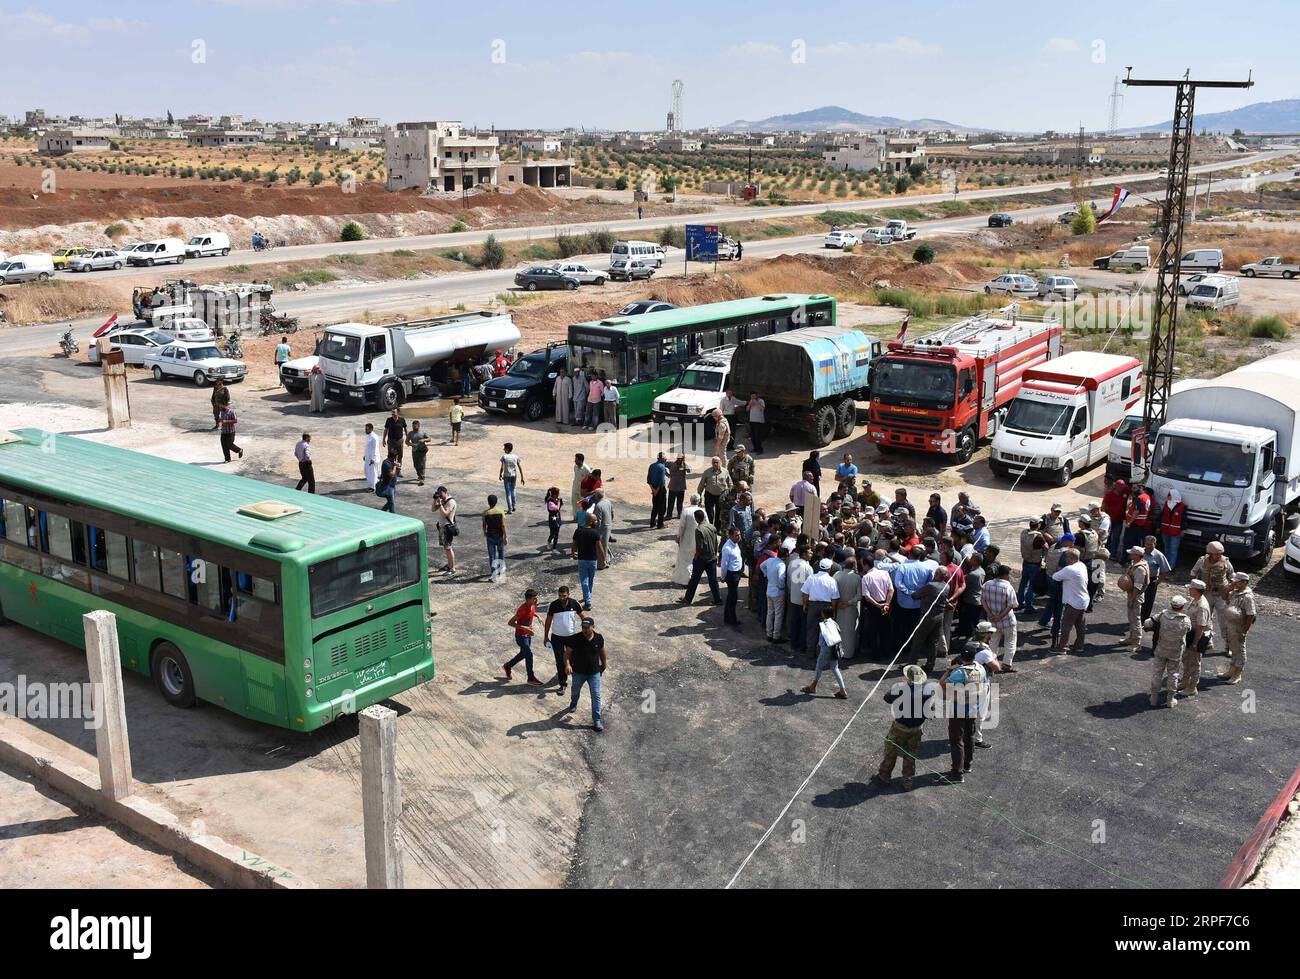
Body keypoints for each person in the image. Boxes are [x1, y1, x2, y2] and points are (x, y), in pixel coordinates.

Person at [874, 664, 933, 792]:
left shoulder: (902, 690)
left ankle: (884, 775)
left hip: (900, 727)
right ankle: (907, 780)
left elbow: (887, 698)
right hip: (916, 728)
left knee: (891, 751)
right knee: (910, 755)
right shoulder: (928, 691)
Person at [940, 645, 986, 784]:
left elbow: (942, 683)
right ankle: (967, 765)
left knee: (956, 741)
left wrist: (949, 670)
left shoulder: (959, 673)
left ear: (961, 657)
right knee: (969, 736)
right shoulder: (980, 668)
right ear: (974, 657)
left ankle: (957, 773)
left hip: (958, 709)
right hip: (973, 707)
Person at [1146, 595, 1191, 708]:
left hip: (1161, 649)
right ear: (1182, 607)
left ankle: (1153, 698)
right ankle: (1170, 700)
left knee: (1157, 673)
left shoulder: (1163, 615)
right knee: (1173, 675)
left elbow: (1148, 623)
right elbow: (1189, 630)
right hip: (1175, 653)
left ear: (1171, 605)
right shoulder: (1185, 620)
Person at [564, 616, 607, 733]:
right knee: (575, 691)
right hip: (578, 672)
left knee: (596, 695)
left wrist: (604, 664)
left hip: (594, 672)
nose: (585, 630)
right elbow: (567, 654)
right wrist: (567, 665)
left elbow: (602, 651)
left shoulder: (599, 638)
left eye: (587, 628)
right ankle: (574, 702)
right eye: (583, 627)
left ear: (593, 627)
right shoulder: (575, 639)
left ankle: (597, 720)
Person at [543, 586, 583, 694]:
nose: (562, 598)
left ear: (568, 594)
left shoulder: (575, 603)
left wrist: (587, 631)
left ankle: (574, 676)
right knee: (560, 661)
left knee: (572, 659)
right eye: (560, 596)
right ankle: (563, 683)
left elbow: (583, 616)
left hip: (571, 637)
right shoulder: (554, 605)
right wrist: (546, 636)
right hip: (557, 638)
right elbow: (548, 621)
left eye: (564, 596)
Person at [1218, 572, 1256, 685]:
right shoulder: (1235, 592)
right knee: (1233, 648)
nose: (1234, 583)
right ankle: (1231, 670)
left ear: (1244, 582)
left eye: (1237, 582)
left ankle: (1237, 674)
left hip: (1239, 627)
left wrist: (1244, 632)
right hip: (1230, 625)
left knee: (1239, 650)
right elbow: (1224, 597)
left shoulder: (1247, 597)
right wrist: (1229, 588)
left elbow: (1251, 615)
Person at [802, 606, 848, 699]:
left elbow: (822, 638)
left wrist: (818, 645)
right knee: (835, 668)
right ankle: (842, 690)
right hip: (834, 648)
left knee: (819, 666)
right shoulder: (834, 623)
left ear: (824, 614)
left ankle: (813, 687)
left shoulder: (824, 624)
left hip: (826, 649)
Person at [911, 567, 950, 671]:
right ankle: (930, 664)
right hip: (939, 616)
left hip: (927, 617)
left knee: (918, 640)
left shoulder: (930, 586)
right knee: (934, 641)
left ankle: (911, 664)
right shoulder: (947, 586)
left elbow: (915, 595)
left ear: (936, 574)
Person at [981, 563, 1018, 670]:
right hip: (1007, 621)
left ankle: (990, 663)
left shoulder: (987, 584)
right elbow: (1012, 605)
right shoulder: (1008, 587)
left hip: (992, 621)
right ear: (1005, 575)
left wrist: (990, 614)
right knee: (1010, 642)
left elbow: (983, 600)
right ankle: (1006, 663)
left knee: (993, 642)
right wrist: (1000, 616)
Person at [503, 590, 545, 686]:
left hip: (528, 635)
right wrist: (524, 628)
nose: (536, 600)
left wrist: (538, 616)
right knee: (529, 654)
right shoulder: (522, 610)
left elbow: (531, 612)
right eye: (534, 598)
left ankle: (507, 666)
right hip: (521, 636)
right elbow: (510, 623)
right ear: (528, 599)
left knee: (523, 654)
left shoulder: (533, 605)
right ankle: (530, 678)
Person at [1052, 550, 1090, 654]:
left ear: (1072, 558)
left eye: (1067, 557)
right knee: (1080, 625)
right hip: (1083, 600)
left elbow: (1055, 576)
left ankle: (1062, 647)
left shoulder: (1069, 569)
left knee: (1066, 625)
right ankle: (1079, 646)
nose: (1066, 559)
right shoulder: (1081, 565)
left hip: (1073, 602)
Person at [682, 510, 722, 606]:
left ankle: (688, 599)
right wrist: (715, 553)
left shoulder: (699, 530)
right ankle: (717, 599)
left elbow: (699, 547)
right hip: (712, 557)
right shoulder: (712, 527)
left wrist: (696, 557)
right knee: (713, 580)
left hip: (702, 559)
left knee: (694, 579)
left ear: (696, 518)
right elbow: (716, 542)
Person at [1180, 579, 1212, 698]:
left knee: (1194, 663)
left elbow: (1201, 626)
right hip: (1191, 634)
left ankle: (1192, 687)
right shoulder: (1195, 600)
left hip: (1198, 636)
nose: (1189, 590)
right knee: (1186, 659)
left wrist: (1195, 643)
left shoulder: (1202, 606)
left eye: (1191, 588)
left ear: (1196, 590)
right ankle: (1185, 682)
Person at [801, 558, 840, 655]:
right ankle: (821, 653)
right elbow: (834, 599)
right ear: (829, 569)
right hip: (826, 607)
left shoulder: (811, 578)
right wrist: (833, 612)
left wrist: (805, 605)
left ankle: (810, 652)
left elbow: (805, 594)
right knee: (825, 632)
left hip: (813, 605)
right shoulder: (832, 581)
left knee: (811, 629)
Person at [859, 552, 894, 660]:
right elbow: (891, 590)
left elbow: (867, 597)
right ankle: (886, 651)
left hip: (874, 606)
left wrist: (878, 605)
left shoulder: (866, 578)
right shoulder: (884, 573)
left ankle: (875, 653)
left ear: (865, 565)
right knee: (885, 629)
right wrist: (887, 604)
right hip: (885, 604)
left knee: (873, 630)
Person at [571, 515, 605, 610]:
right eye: (595, 520)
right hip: (592, 560)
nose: (597, 522)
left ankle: (587, 599)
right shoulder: (595, 533)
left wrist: (573, 553)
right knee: (589, 580)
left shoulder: (578, 531)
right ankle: (588, 600)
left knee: (585, 581)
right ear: (591, 522)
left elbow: (574, 544)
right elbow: (600, 547)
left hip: (582, 560)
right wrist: (603, 559)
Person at [833, 555, 862, 660]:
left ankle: (838, 652)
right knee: (850, 632)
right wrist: (849, 602)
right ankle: (848, 654)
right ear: (854, 565)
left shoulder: (837, 575)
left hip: (838, 607)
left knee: (838, 630)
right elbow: (859, 596)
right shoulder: (857, 577)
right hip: (851, 608)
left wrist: (837, 603)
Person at [1122, 546, 1151, 649]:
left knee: (1136, 620)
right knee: (1131, 618)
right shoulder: (1135, 564)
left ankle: (1136, 643)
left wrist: (1132, 599)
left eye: (1132, 553)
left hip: (1136, 596)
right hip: (1132, 594)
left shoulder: (1139, 569)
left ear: (1137, 555)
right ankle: (1131, 638)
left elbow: (1138, 586)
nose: (1130, 555)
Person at [674, 495, 706, 586]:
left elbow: (682, 526)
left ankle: (686, 581)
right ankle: (694, 580)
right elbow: (706, 524)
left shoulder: (686, 511)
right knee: (695, 560)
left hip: (686, 540)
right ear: (699, 501)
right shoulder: (702, 511)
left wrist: (678, 536)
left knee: (685, 561)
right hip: (698, 540)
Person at [1017, 518, 1046, 612]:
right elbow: (1046, 547)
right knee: (1032, 586)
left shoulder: (1024, 533)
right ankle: (1028, 606)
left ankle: (1020, 602)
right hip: (1035, 563)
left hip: (1025, 561)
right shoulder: (1038, 536)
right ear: (1037, 525)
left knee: (1023, 583)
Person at [1140, 536, 1171, 623]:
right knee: (1137, 600)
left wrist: (1158, 581)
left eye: (1151, 544)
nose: (1148, 546)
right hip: (1139, 579)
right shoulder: (1140, 552)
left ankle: (1143, 621)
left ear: (1155, 544)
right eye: (1147, 544)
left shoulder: (1159, 555)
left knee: (1147, 602)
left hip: (1151, 580)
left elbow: (1166, 570)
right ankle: (1135, 619)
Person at [697, 456, 732, 527]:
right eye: (714, 463)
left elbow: (730, 483)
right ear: (712, 463)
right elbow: (702, 484)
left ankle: (717, 528)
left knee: (719, 513)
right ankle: (710, 527)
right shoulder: (707, 472)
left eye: (717, 462)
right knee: (710, 513)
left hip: (721, 495)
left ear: (720, 463)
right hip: (709, 494)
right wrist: (699, 495)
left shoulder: (725, 472)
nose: (715, 464)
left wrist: (730, 494)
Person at [764, 544, 789, 642]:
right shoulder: (781, 564)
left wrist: (766, 574)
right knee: (778, 614)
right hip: (778, 592)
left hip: (769, 589)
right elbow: (781, 577)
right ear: (785, 556)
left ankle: (769, 634)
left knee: (770, 613)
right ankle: (776, 636)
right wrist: (782, 586)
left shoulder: (770, 560)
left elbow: (762, 566)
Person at [721, 526, 745, 627]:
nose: (738, 537)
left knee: (732, 597)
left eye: (739, 535)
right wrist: (723, 577)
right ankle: (732, 619)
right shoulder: (727, 548)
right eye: (736, 536)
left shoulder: (735, 544)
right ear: (730, 536)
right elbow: (724, 564)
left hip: (737, 573)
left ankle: (728, 618)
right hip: (732, 575)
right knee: (733, 598)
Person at [432, 486, 458, 575]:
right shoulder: (442, 500)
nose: (440, 496)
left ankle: (452, 568)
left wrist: (440, 504)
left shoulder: (451, 502)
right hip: (442, 527)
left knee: (448, 548)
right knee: (446, 548)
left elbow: (445, 513)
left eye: (441, 494)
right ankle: (449, 565)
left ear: (446, 492)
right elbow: (433, 509)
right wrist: (435, 499)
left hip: (447, 528)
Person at [1158, 489, 1186, 568]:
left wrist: (1183, 530)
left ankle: (1171, 566)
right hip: (1165, 530)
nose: (1168, 497)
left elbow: (1184, 519)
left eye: (1169, 495)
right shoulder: (1166, 504)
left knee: (1173, 550)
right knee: (1166, 548)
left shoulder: (1182, 506)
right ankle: (1165, 565)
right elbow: (1162, 516)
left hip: (1175, 532)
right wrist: (1158, 527)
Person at [482, 494, 508, 582]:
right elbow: (503, 525)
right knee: (501, 554)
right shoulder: (501, 511)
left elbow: (484, 525)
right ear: (496, 502)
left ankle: (494, 575)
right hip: (499, 535)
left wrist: (485, 532)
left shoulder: (485, 513)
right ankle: (501, 571)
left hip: (490, 536)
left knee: (492, 556)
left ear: (488, 502)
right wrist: (505, 536)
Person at [591, 491, 615, 568]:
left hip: (601, 527)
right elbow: (612, 513)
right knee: (605, 544)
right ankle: (607, 559)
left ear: (597, 496)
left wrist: (595, 530)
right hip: (608, 525)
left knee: (601, 546)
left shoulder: (598, 505)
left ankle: (601, 564)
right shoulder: (608, 501)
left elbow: (598, 520)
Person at [499, 442, 524, 514]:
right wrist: (522, 477)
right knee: (513, 490)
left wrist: (500, 474)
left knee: (508, 492)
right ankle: (514, 506)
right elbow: (520, 467)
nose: (504, 450)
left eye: (504, 448)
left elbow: (502, 467)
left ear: (507, 449)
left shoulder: (504, 457)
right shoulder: (516, 456)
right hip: (514, 475)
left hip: (506, 476)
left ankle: (510, 509)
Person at [666, 454, 690, 520]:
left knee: (680, 502)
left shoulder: (684, 465)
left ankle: (679, 514)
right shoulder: (671, 464)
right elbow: (663, 464)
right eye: (678, 458)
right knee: (670, 502)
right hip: (672, 486)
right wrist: (666, 474)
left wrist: (684, 464)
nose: (679, 460)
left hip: (681, 487)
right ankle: (669, 515)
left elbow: (689, 470)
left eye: (681, 459)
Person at [406, 421, 430, 486]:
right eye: (413, 426)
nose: (414, 427)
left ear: (418, 426)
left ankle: (422, 478)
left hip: (422, 451)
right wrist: (412, 444)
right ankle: (419, 475)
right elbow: (406, 442)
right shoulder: (410, 433)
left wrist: (424, 440)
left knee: (422, 464)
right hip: (414, 451)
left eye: (415, 426)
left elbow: (429, 439)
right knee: (416, 464)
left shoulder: (422, 433)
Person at [571, 453, 591, 522]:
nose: (575, 461)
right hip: (575, 488)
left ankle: (582, 518)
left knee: (582, 504)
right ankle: (575, 517)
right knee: (574, 502)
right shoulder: (575, 467)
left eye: (576, 460)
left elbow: (589, 481)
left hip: (582, 490)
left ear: (580, 460)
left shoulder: (586, 469)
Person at [363, 422, 380, 490]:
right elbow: (367, 447)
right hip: (368, 457)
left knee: (373, 473)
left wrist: (373, 459)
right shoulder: (368, 436)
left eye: (367, 429)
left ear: (371, 429)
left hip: (372, 459)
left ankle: (373, 487)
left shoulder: (374, 437)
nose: (365, 430)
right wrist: (365, 455)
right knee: (367, 472)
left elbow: (375, 449)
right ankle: (372, 484)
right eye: (365, 429)